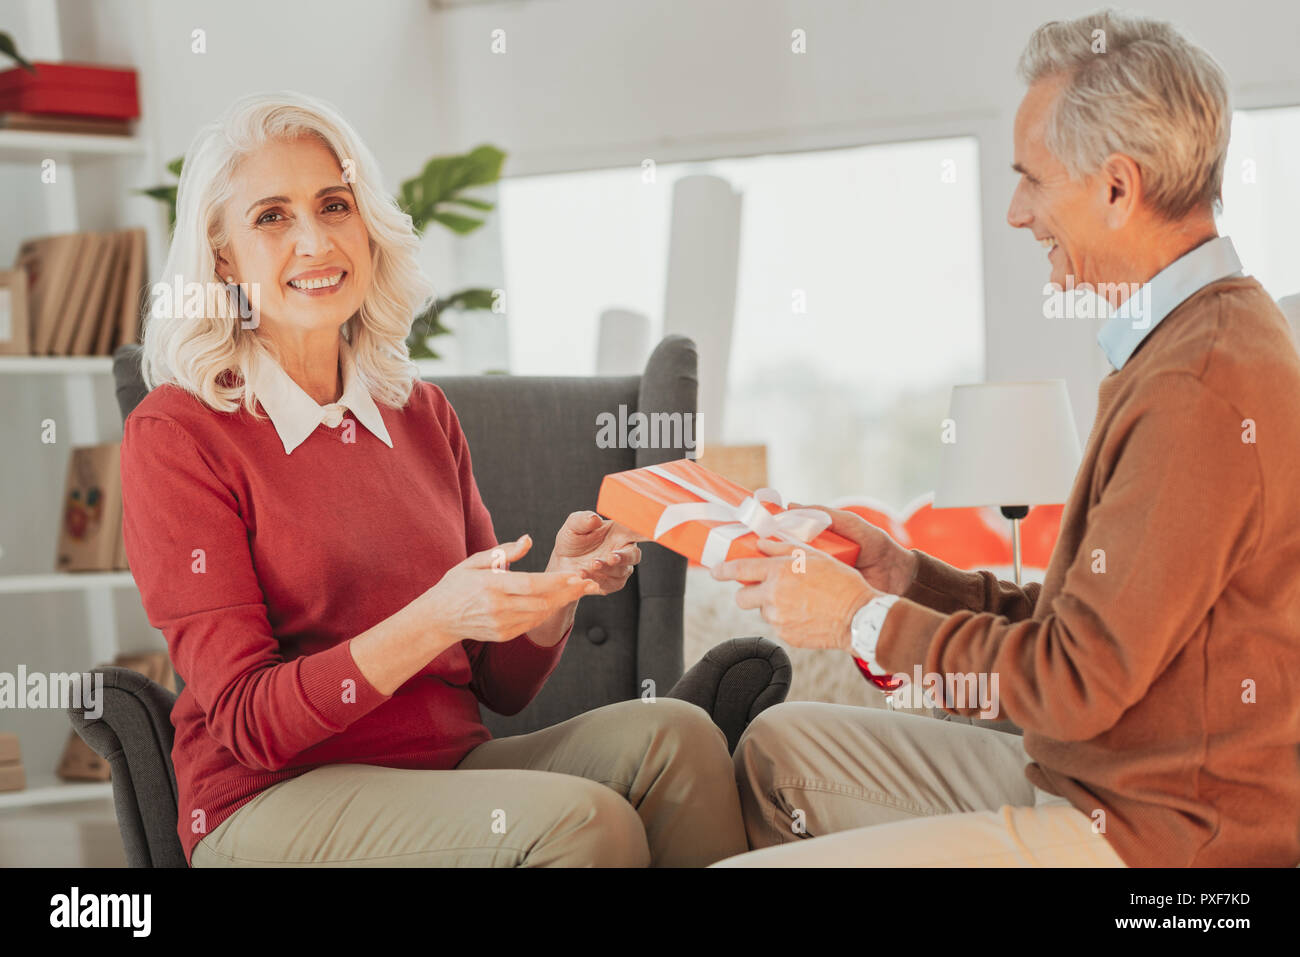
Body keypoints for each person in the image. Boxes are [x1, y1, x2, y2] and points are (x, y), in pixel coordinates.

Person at [712, 10, 1300, 867]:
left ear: (1115, 187)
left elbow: (1073, 682)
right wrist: (907, 577)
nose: (1019, 212)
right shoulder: (1187, 342)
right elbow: (1085, 629)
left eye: (1032, 179)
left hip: (1162, 841)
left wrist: (861, 620)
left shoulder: (1198, 383)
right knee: (778, 757)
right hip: (1092, 783)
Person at [121, 90, 747, 867]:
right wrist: (434, 616)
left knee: (679, 737)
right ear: (222, 258)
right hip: (271, 799)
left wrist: (554, 590)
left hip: (444, 773)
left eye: (334, 204)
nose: (314, 241)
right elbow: (252, 721)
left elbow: (500, 683)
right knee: (585, 821)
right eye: (272, 217)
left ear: (368, 225)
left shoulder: (419, 413)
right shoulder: (178, 435)